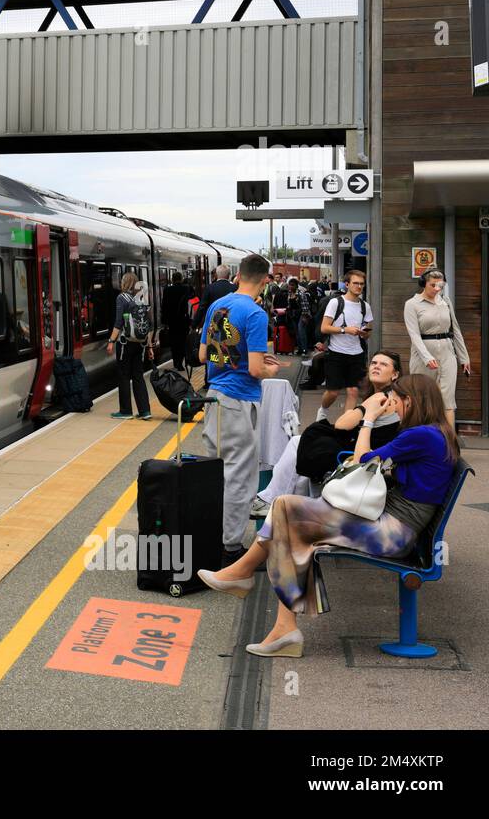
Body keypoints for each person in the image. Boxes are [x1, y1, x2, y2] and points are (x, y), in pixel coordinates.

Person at [197, 374, 459, 658]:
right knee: (289, 515)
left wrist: (369, 417)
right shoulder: (434, 433)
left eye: (396, 402)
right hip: (394, 526)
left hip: (391, 533)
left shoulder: (420, 435)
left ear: (411, 400)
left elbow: (362, 459)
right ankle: (272, 614)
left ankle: (250, 584)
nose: (393, 408)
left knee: (287, 510)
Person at [198, 253, 282, 564]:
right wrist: (270, 369)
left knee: (216, 474)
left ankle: (212, 538)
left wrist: (247, 360)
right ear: (265, 280)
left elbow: (204, 355)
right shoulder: (256, 314)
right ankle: (229, 549)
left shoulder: (217, 307)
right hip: (239, 401)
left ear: (237, 276)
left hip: (215, 398)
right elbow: (257, 371)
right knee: (238, 477)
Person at [251, 350, 403, 517]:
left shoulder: (380, 398)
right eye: (374, 363)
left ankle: (272, 499)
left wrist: (359, 410)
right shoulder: (386, 395)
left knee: (300, 443)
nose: (376, 367)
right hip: (365, 451)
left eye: (383, 364)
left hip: (361, 456)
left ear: (395, 374)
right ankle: (280, 502)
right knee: (304, 447)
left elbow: (341, 424)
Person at [404, 268, 471, 431]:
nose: (437, 289)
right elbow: (414, 335)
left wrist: (464, 357)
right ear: (423, 284)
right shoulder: (412, 304)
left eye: (440, 285)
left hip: (447, 352)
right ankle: (421, 439)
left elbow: (455, 330)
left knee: (448, 400)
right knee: (422, 397)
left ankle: (450, 443)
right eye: (433, 285)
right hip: (423, 354)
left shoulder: (445, 301)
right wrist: (427, 357)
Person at [317, 269, 372, 422]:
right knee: (333, 392)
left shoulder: (365, 306)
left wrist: (364, 333)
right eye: (355, 283)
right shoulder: (336, 302)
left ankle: (345, 424)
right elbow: (324, 327)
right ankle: (323, 411)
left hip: (356, 354)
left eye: (361, 284)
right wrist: (344, 329)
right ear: (347, 284)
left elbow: (369, 331)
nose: (359, 287)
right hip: (336, 353)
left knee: (353, 391)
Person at [108, 273, 153, 420]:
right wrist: (150, 346)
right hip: (140, 344)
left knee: (124, 376)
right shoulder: (142, 298)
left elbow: (118, 322)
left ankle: (126, 411)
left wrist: (111, 341)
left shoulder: (122, 298)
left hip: (125, 343)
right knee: (138, 376)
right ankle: (145, 411)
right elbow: (150, 325)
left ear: (124, 283)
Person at [160, 270, 192, 371]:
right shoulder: (187, 289)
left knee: (174, 343)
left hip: (172, 322)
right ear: (181, 279)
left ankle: (175, 362)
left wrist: (164, 322)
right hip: (184, 320)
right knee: (183, 341)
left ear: (173, 280)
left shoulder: (167, 290)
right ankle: (180, 362)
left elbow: (164, 307)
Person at [191, 264, 236, 331]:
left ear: (216, 275)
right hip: (231, 324)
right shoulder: (235, 288)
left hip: (213, 325)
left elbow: (202, 307)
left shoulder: (209, 288)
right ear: (229, 275)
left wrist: (194, 324)